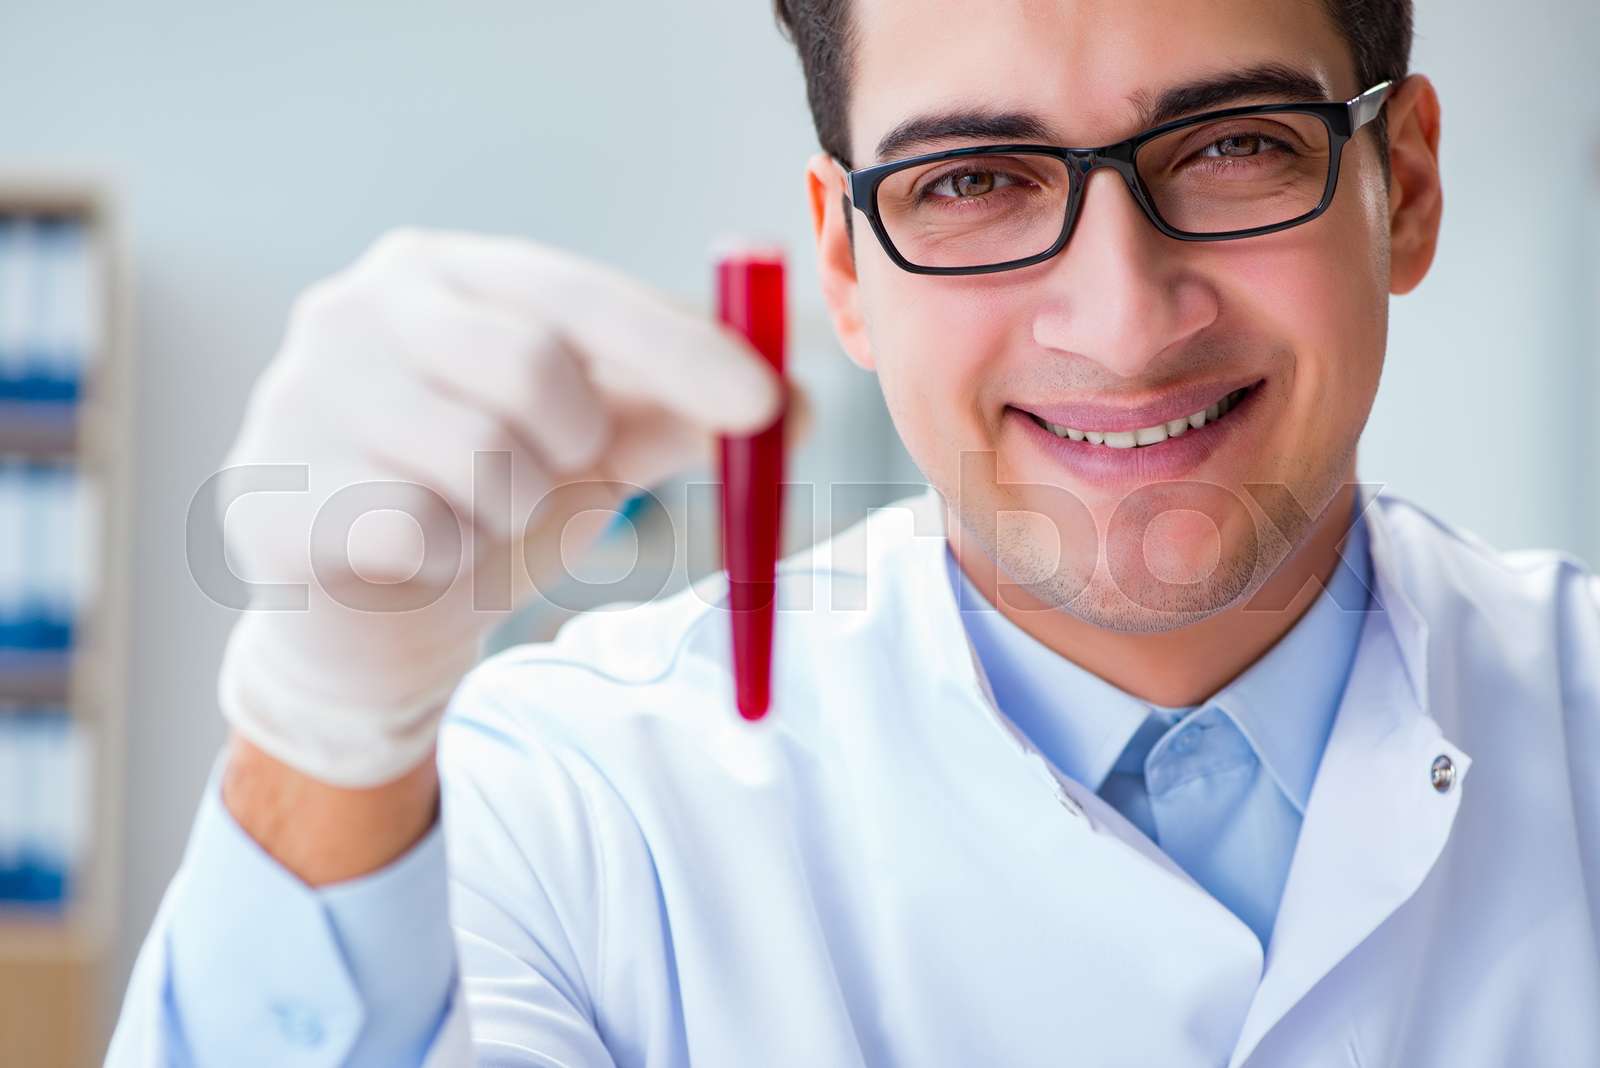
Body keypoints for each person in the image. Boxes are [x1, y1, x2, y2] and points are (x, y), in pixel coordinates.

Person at [108, 0, 1600, 1064]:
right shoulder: (575, 800)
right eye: (971, 181)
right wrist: (324, 726)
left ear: (1401, 184)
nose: (1124, 317)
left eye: (1231, 146)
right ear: (843, 264)